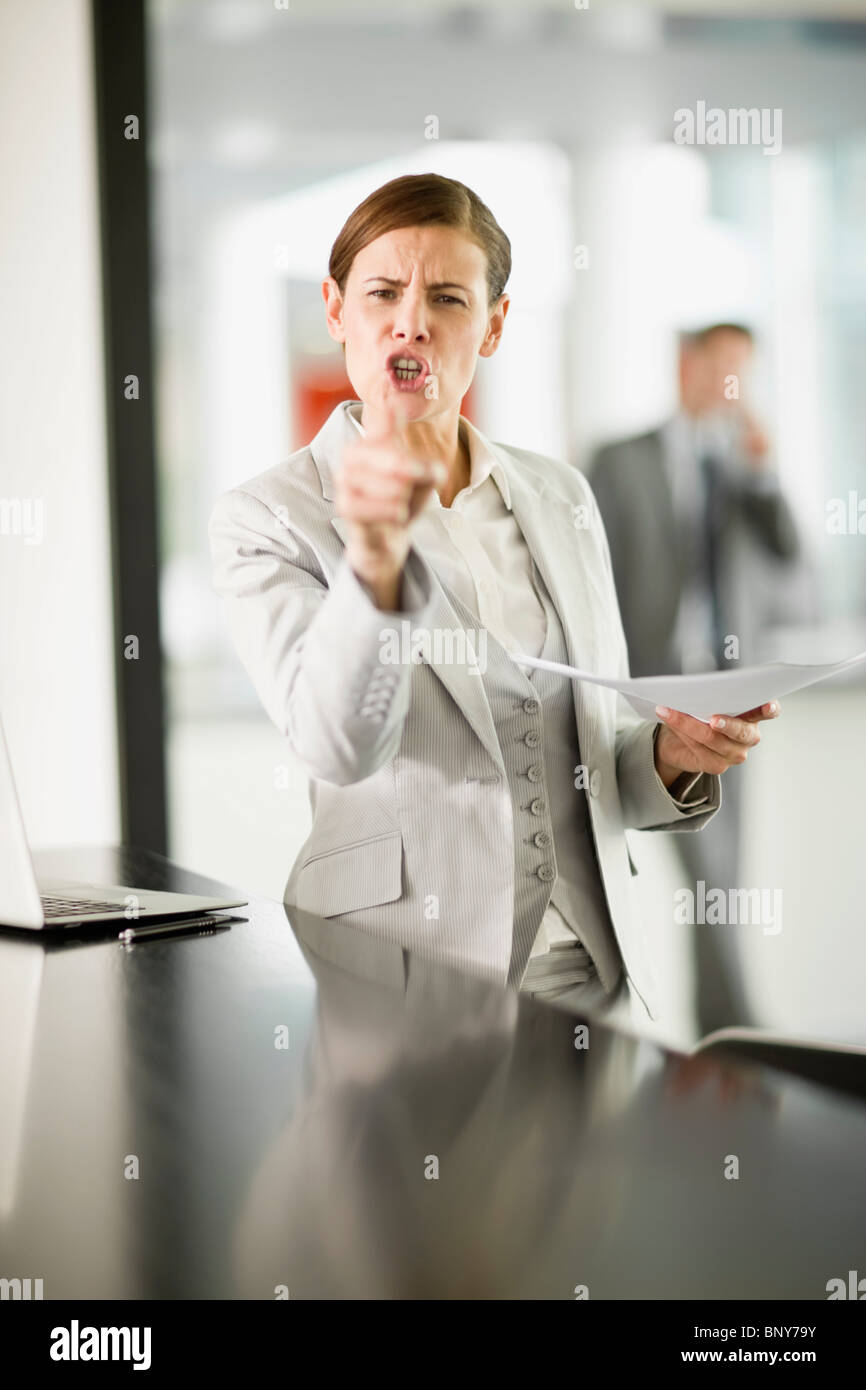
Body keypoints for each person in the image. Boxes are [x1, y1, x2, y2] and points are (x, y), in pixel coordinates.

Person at [208, 174, 780, 1030]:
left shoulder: (561, 496)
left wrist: (671, 752)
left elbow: (591, 751)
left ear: (495, 324)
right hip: (400, 985)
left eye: (447, 296)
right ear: (335, 311)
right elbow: (337, 744)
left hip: (594, 982)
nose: (412, 321)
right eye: (382, 292)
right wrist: (375, 562)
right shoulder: (269, 517)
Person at [589, 323, 807, 1031]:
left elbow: (788, 553)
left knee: (723, 885)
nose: (731, 389)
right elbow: (593, 575)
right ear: (686, 366)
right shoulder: (622, 460)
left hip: (730, 693)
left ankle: (722, 1040)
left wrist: (764, 469)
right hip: (648, 696)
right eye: (722, 371)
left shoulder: (741, 468)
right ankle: (741, 1036)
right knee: (702, 878)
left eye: (744, 375)